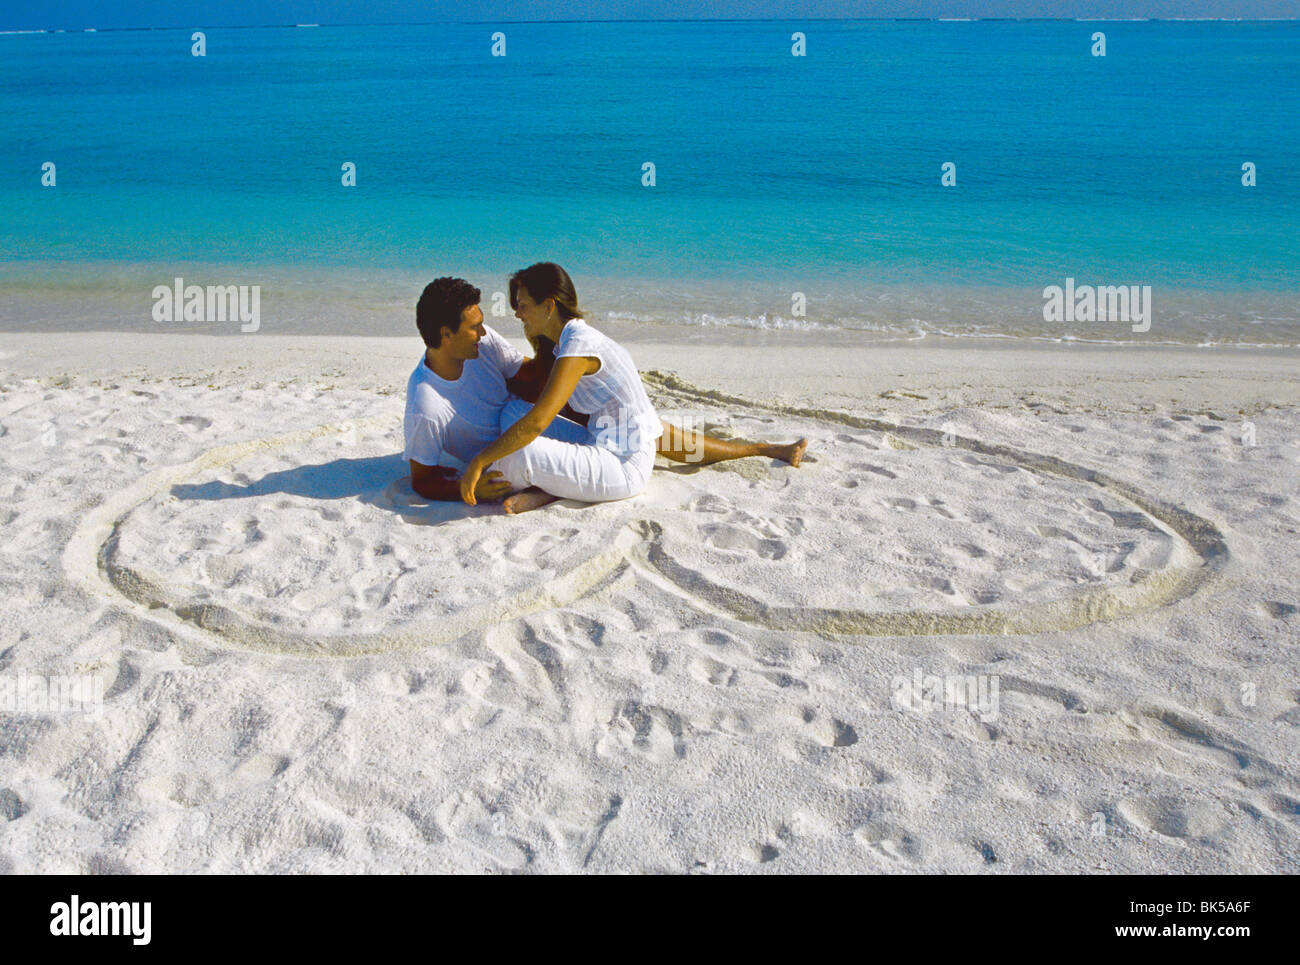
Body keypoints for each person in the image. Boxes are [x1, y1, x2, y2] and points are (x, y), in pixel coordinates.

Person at [404, 270, 808, 514]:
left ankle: (756, 448)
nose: (486, 330)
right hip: (513, 448)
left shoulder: (485, 342)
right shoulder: (426, 403)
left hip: (527, 424)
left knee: (635, 422)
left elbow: (523, 380)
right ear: (445, 334)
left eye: (482, 322)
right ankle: (550, 486)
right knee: (533, 445)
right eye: (473, 326)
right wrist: (464, 484)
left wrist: (563, 363)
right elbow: (421, 479)